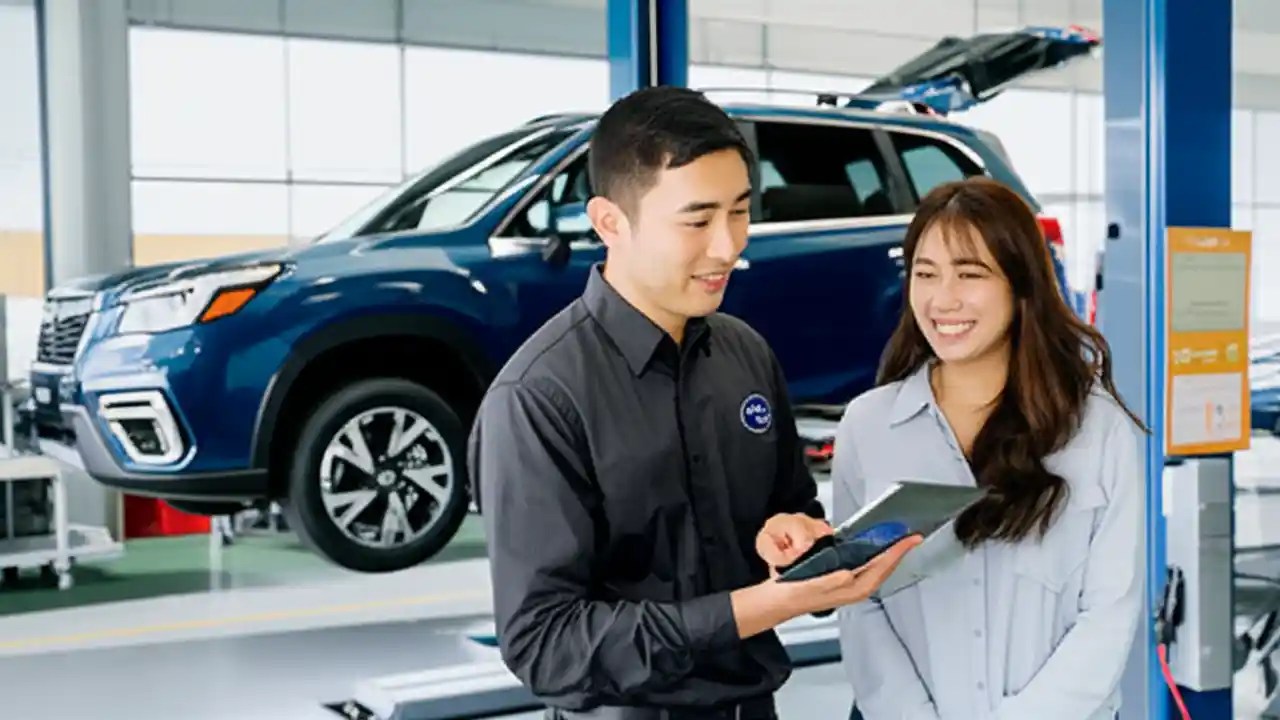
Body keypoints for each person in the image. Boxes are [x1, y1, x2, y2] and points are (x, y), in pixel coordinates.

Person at [467, 86, 920, 720]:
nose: (729, 245)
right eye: (698, 220)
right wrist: (756, 608)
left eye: (740, 211)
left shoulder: (746, 354)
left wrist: (794, 543)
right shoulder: (539, 399)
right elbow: (547, 645)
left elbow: (791, 509)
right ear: (609, 222)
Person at [835, 177, 1146, 720]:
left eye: (970, 273)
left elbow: (1108, 611)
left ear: (1021, 285)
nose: (942, 299)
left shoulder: (1096, 429)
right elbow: (860, 601)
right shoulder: (870, 426)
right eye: (925, 274)